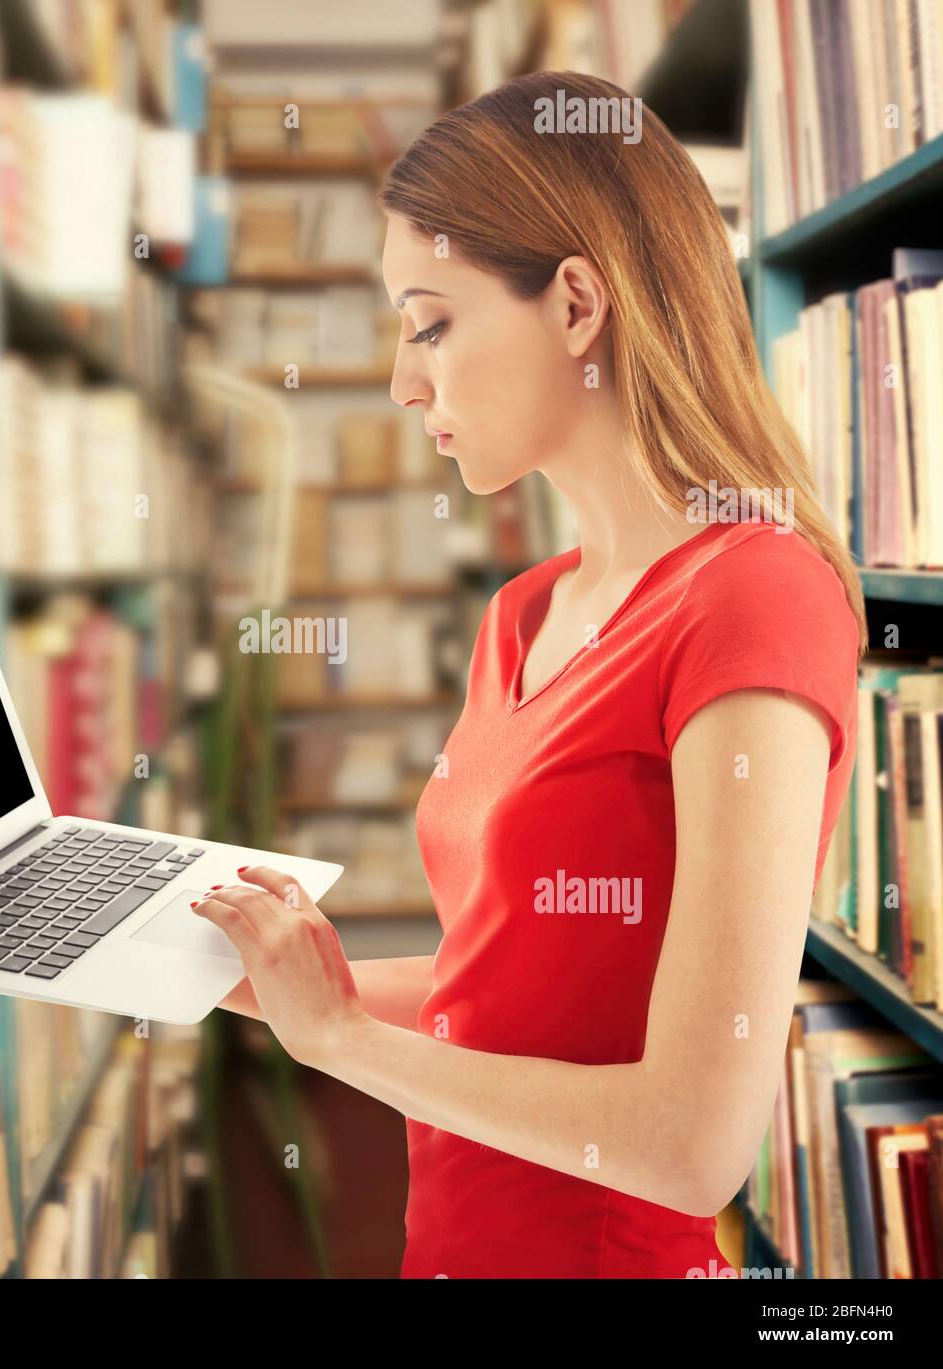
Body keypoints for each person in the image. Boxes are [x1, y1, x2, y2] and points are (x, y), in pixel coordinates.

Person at [190, 70, 866, 1278]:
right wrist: (247, 974)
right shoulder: (523, 614)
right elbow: (499, 996)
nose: (406, 384)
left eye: (431, 322)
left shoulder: (753, 595)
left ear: (573, 305)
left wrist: (336, 1035)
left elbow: (691, 1148)